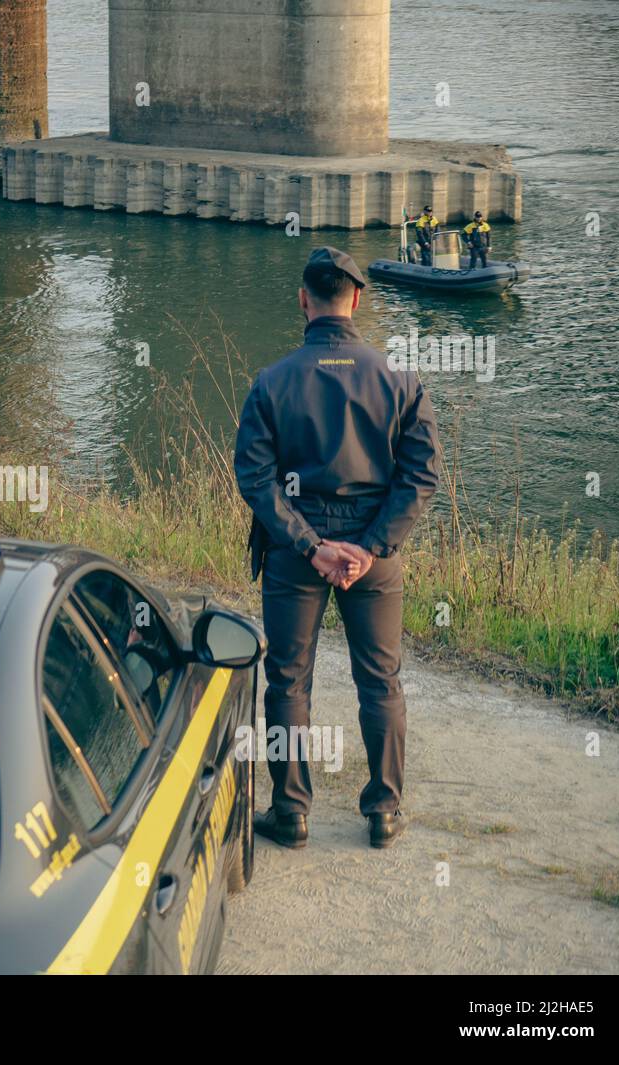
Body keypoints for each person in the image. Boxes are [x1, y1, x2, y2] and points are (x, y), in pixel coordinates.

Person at [234, 247, 441, 850]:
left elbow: (256, 479)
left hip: (296, 556)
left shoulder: (273, 382)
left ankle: (291, 813)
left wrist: (310, 544)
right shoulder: (400, 379)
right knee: (380, 682)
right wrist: (370, 547)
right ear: (357, 300)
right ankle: (383, 811)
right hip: (372, 559)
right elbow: (421, 476)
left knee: (288, 681)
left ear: (304, 301)